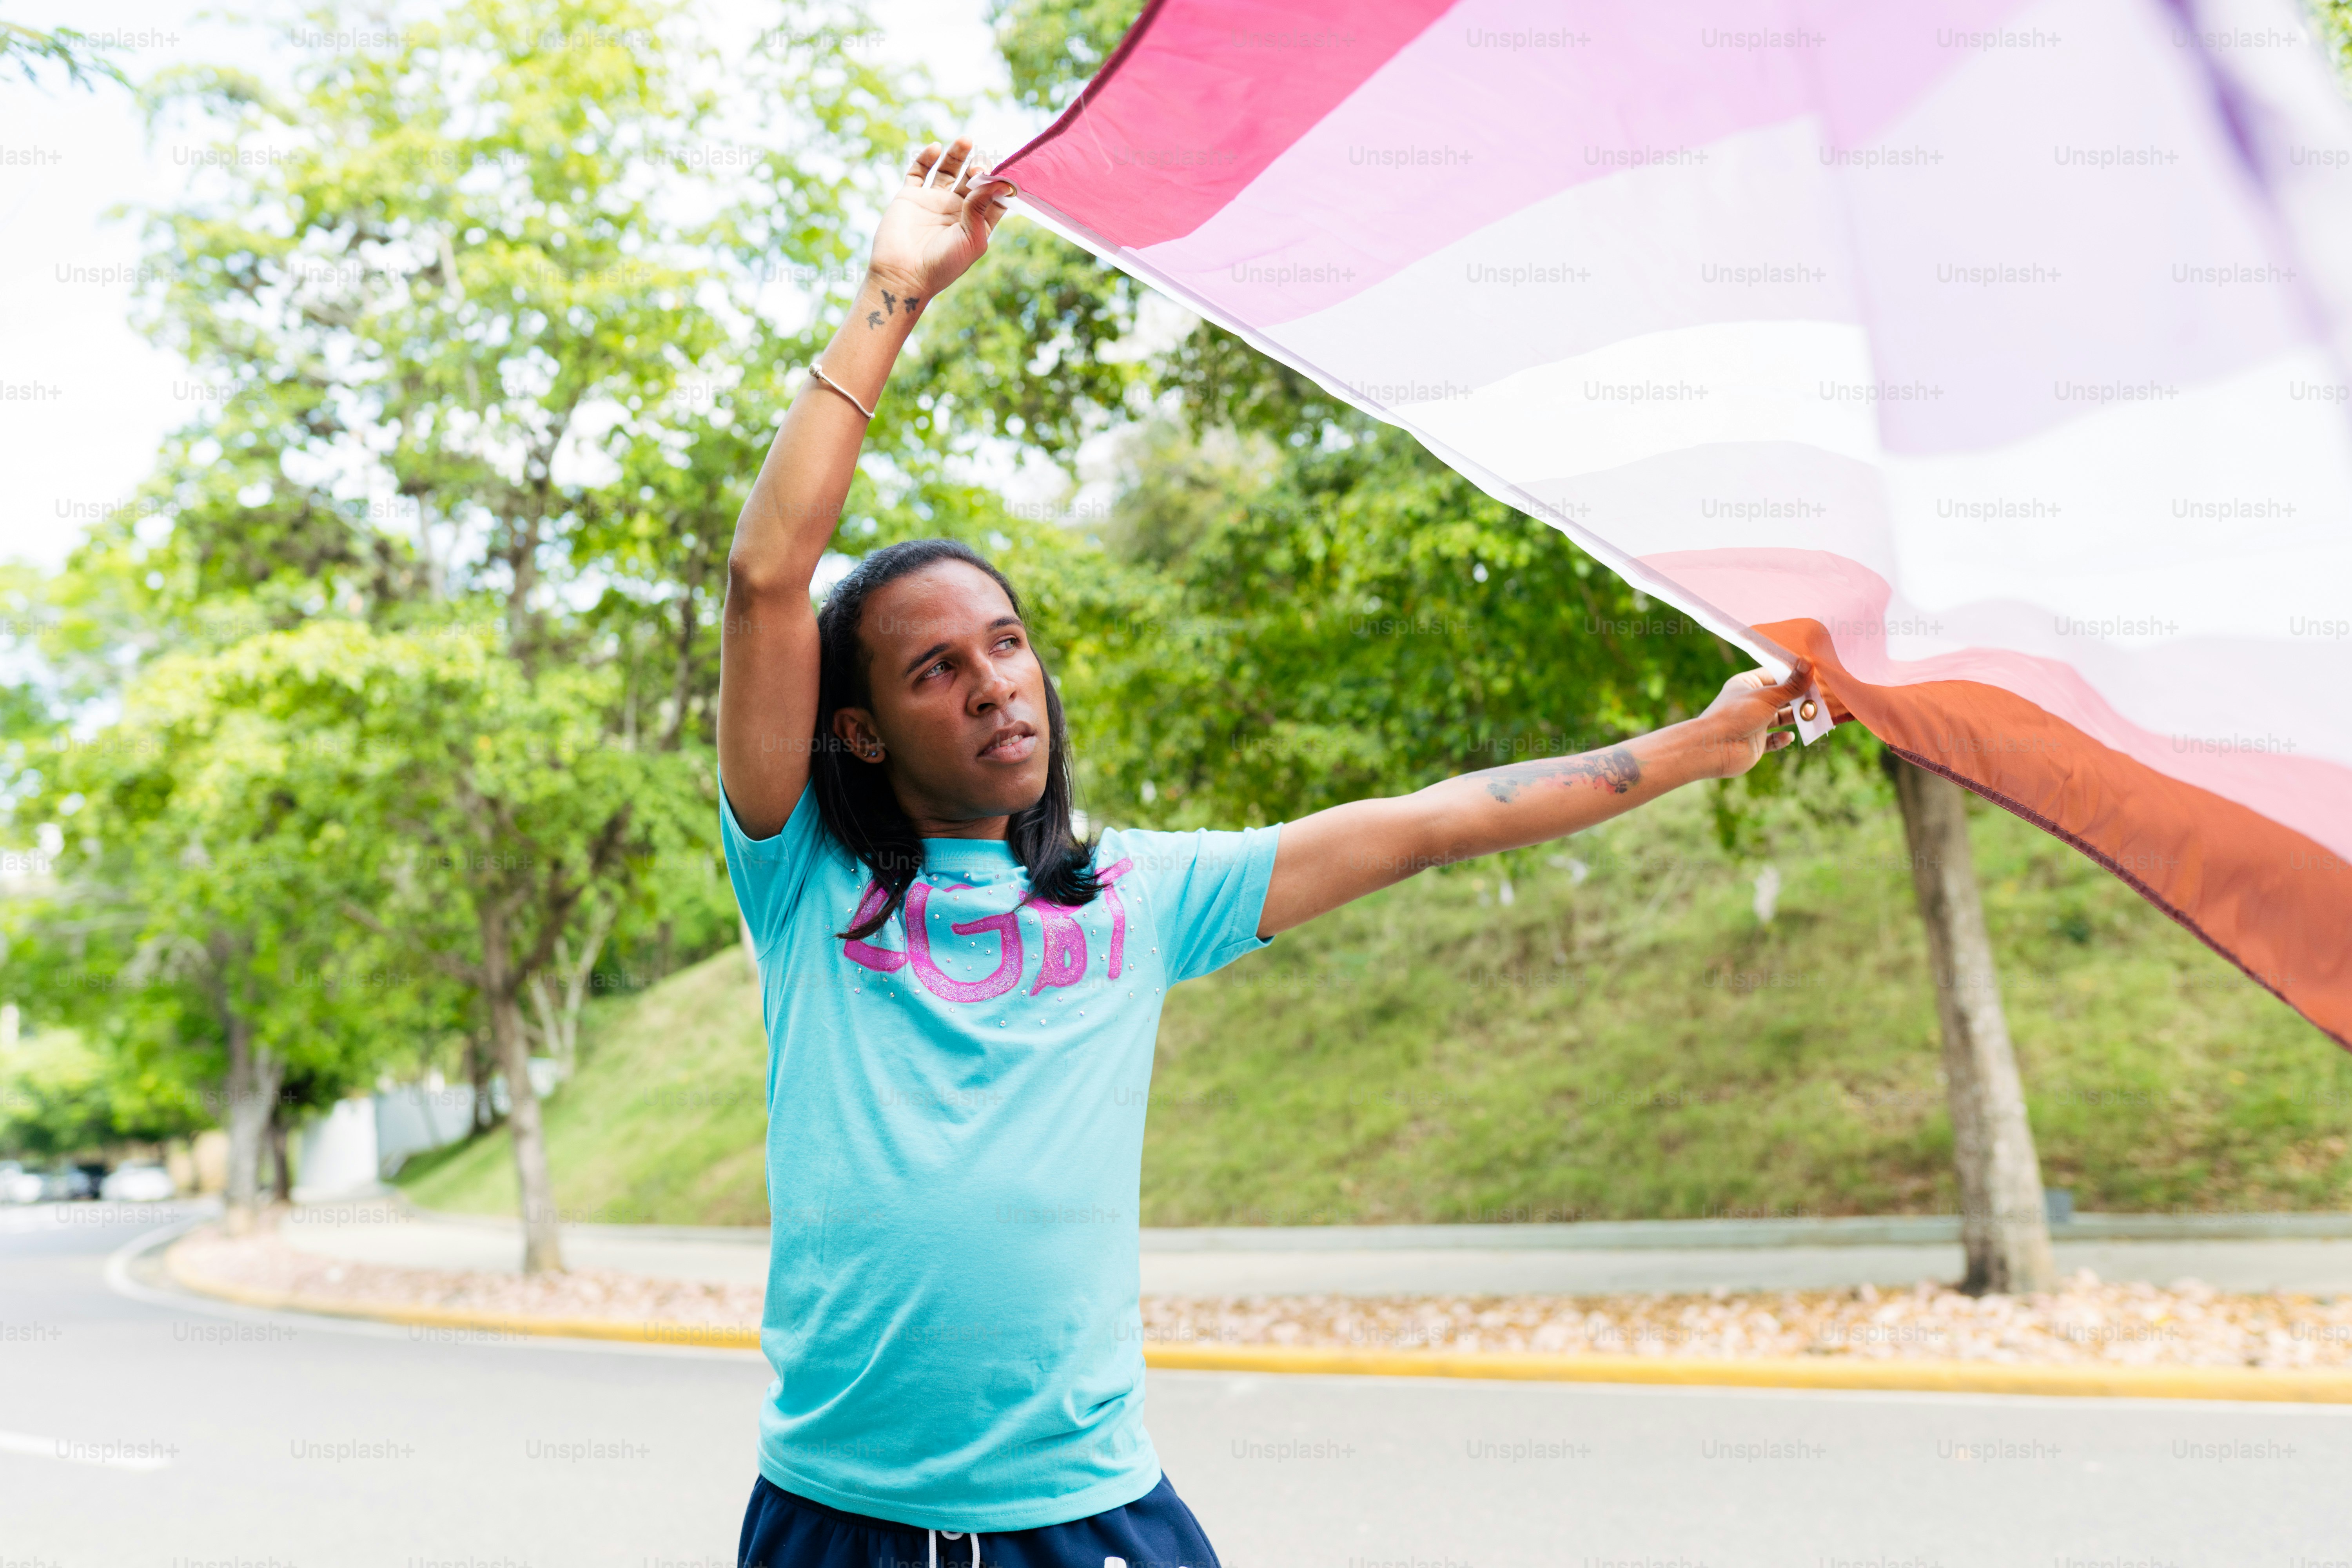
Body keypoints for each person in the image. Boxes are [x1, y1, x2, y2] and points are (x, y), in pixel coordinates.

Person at [718, 135, 1813, 1568]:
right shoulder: (805, 879)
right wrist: (895, 292)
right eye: (933, 671)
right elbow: (766, 578)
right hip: (836, 1518)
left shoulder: (1142, 896)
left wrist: (1691, 748)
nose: (995, 683)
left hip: (1083, 1515)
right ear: (856, 732)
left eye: (1009, 644)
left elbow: (1424, 825)